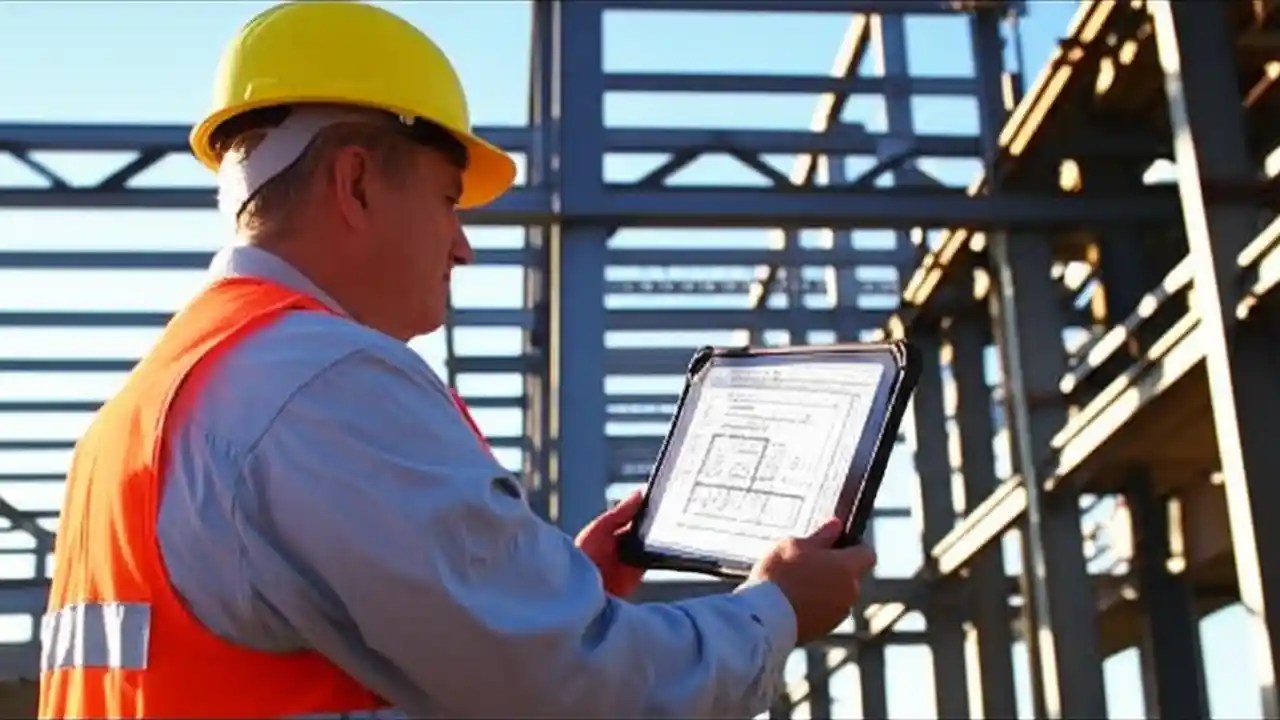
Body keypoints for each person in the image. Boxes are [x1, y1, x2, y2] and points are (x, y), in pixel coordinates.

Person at [36, 2, 877, 718]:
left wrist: (549, 591)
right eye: (447, 200)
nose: (464, 246)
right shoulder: (321, 380)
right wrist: (775, 613)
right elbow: (569, 690)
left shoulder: (155, 403)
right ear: (356, 182)